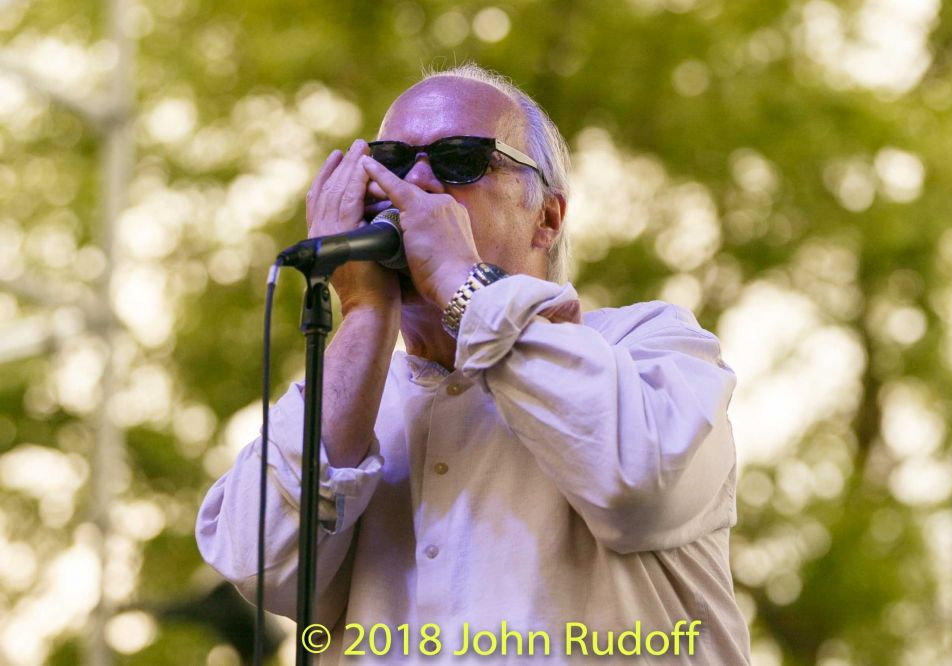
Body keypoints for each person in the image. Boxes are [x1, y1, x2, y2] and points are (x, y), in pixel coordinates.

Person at [196, 63, 751, 664]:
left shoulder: (649, 345)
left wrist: (465, 286)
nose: (421, 184)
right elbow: (260, 565)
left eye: (461, 158)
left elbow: (638, 484)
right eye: (393, 162)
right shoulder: (353, 397)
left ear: (547, 218)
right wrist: (361, 315)